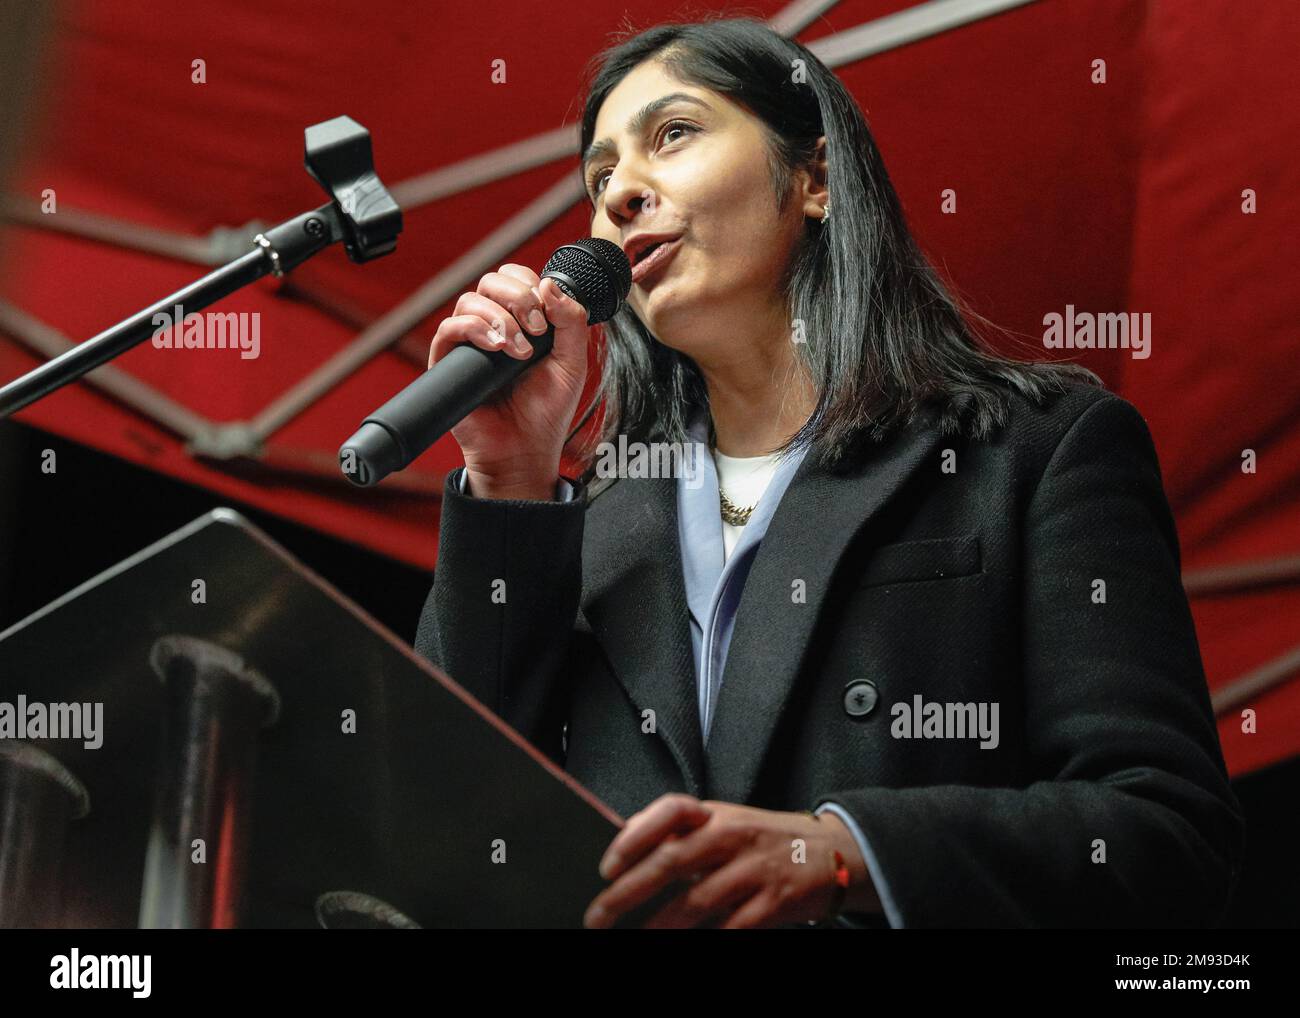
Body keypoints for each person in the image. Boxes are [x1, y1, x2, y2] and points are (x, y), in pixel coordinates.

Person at [414, 17, 1244, 929]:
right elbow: (440, 820)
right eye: (599, 177)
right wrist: (510, 478)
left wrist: (851, 853)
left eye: (673, 134)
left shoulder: (1034, 451)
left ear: (813, 179)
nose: (618, 196)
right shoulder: (580, 526)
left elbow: (1166, 833)